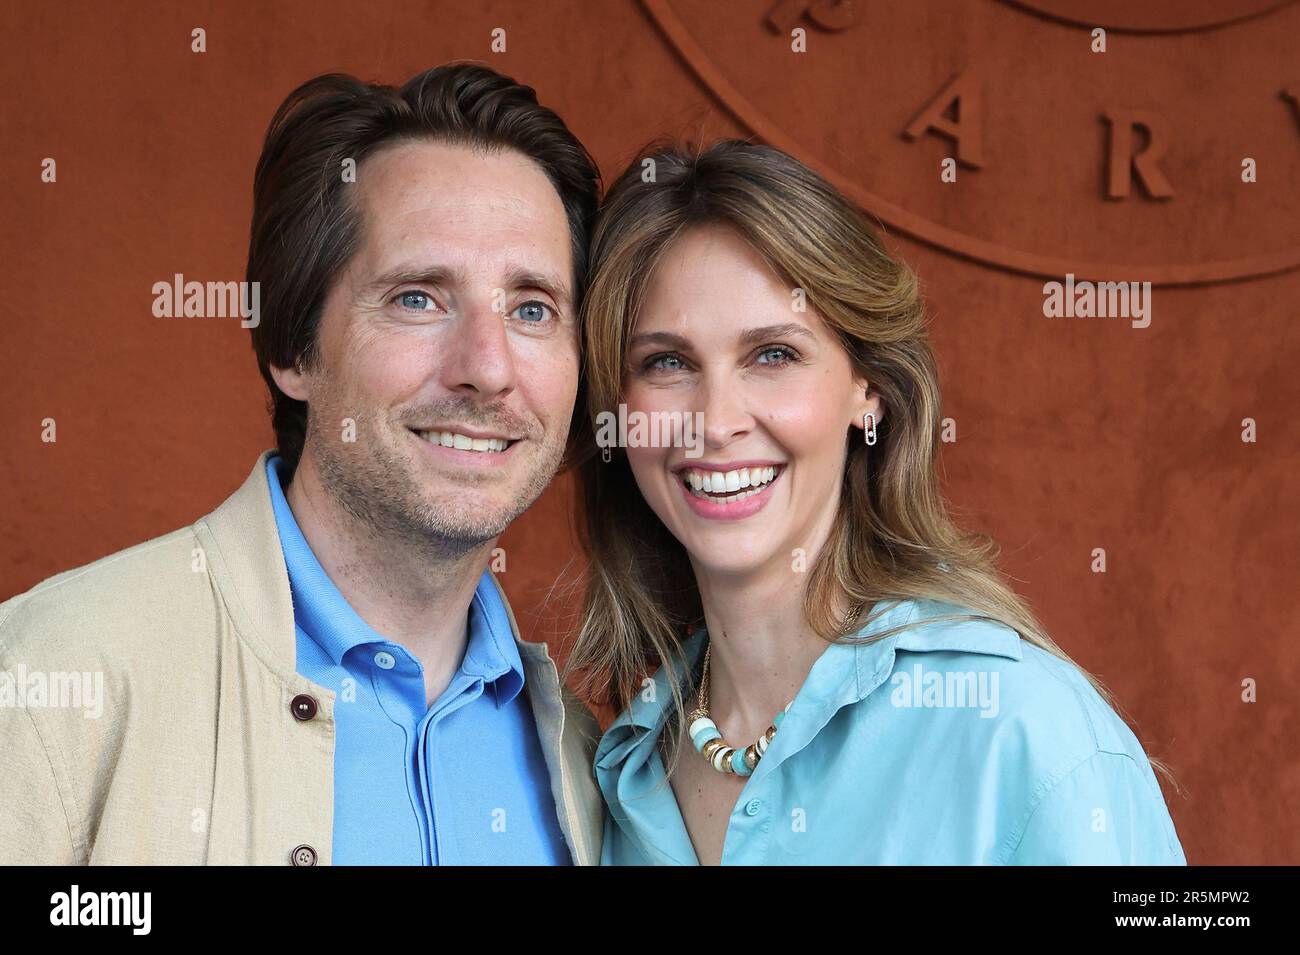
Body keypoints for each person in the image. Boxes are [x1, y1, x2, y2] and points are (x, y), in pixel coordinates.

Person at [0, 63, 604, 865]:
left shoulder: (584, 764)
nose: (486, 368)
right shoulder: (53, 677)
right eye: (418, 297)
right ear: (292, 346)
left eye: (532, 308)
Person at [565, 139, 1187, 865]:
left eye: (773, 354)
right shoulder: (618, 770)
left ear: (869, 391)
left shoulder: (1021, 731)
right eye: (667, 362)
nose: (715, 420)